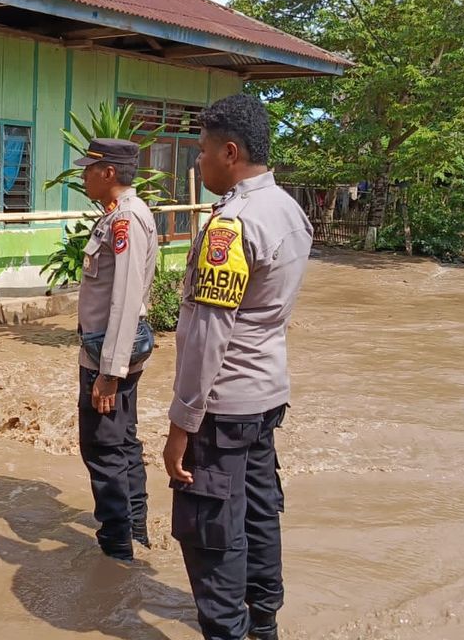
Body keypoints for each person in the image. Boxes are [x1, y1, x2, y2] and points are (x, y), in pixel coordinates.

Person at [163, 94, 313, 640]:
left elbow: (206, 335)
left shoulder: (231, 226)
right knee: (257, 512)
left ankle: (226, 628)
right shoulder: (289, 210)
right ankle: (264, 621)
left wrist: (181, 425)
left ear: (230, 152)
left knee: (212, 530)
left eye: (201, 153)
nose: (195, 164)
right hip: (267, 393)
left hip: (223, 405)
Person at [74, 138, 158, 561]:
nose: (82, 175)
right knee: (122, 440)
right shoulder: (120, 216)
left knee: (104, 446)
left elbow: (125, 299)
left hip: (109, 353)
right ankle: (135, 529)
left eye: (88, 169)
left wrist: (109, 372)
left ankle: (117, 547)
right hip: (114, 349)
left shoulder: (125, 220)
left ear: (108, 172)